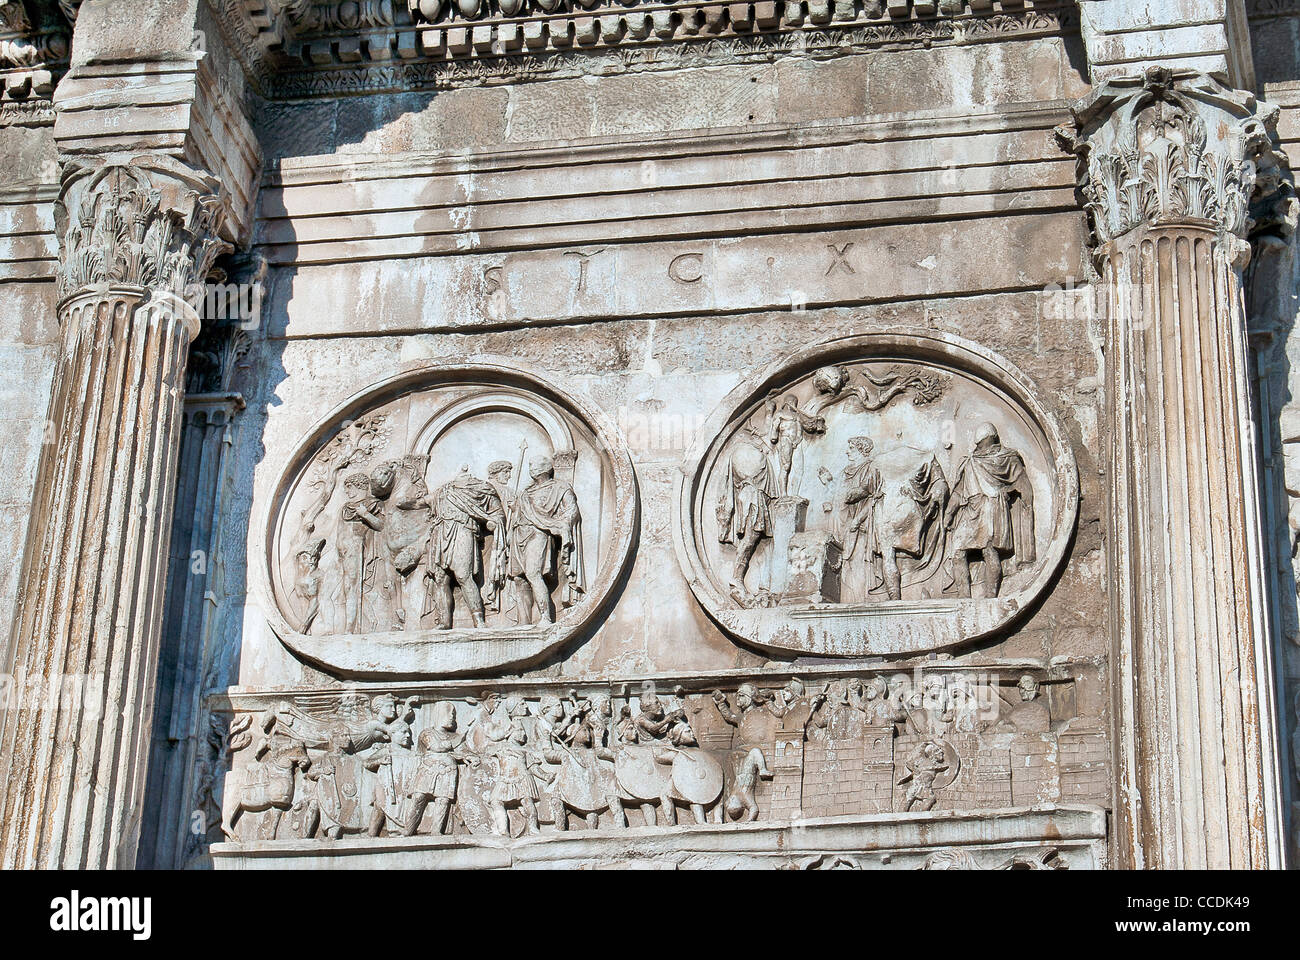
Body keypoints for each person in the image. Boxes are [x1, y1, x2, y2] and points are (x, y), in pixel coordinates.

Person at [944, 422, 1035, 598]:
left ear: (989, 439)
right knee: (957, 552)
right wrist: (949, 513)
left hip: (992, 506)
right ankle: (964, 598)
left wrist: (1026, 506)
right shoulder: (971, 461)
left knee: (989, 550)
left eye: (982, 442)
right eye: (979, 444)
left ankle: (990, 597)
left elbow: (1023, 483)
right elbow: (958, 491)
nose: (980, 446)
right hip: (972, 508)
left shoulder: (1007, 457)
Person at [426, 465, 507, 628]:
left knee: (464, 576)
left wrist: (493, 522)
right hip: (441, 532)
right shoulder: (443, 490)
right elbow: (418, 503)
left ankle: (479, 621)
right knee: (441, 579)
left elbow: (498, 514)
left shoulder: (482, 489)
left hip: (463, 529)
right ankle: (444, 622)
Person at [509, 454, 584, 624]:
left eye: (534, 465)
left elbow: (572, 509)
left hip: (539, 532)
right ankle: (524, 621)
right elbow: (520, 512)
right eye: (530, 466)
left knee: (533, 573)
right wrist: (515, 508)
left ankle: (545, 617)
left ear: (544, 469)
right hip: (519, 533)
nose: (531, 468)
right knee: (519, 578)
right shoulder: (525, 492)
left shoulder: (560, 488)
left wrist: (562, 524)